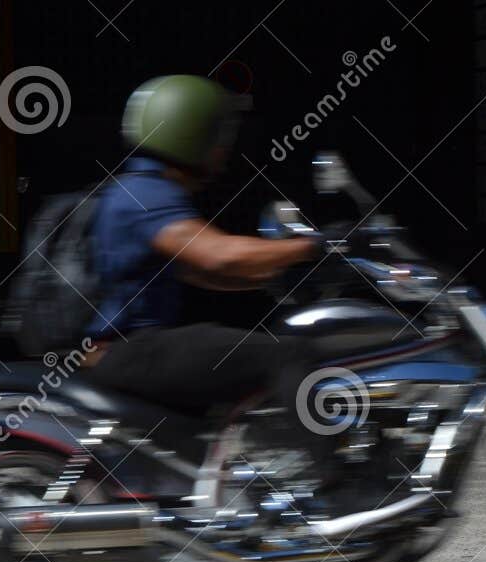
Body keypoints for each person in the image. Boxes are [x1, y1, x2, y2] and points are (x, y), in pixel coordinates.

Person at [84, 75, 319, 443]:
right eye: (218, 137)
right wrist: (314, 246)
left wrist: (271, 277)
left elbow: (200, 274)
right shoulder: (146, 192)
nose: (223, 150)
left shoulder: (130, 190)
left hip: (125, 353)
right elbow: (219, 256)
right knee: (288, 354)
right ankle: (333, 485)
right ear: (189, 132)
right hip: (137, 351)